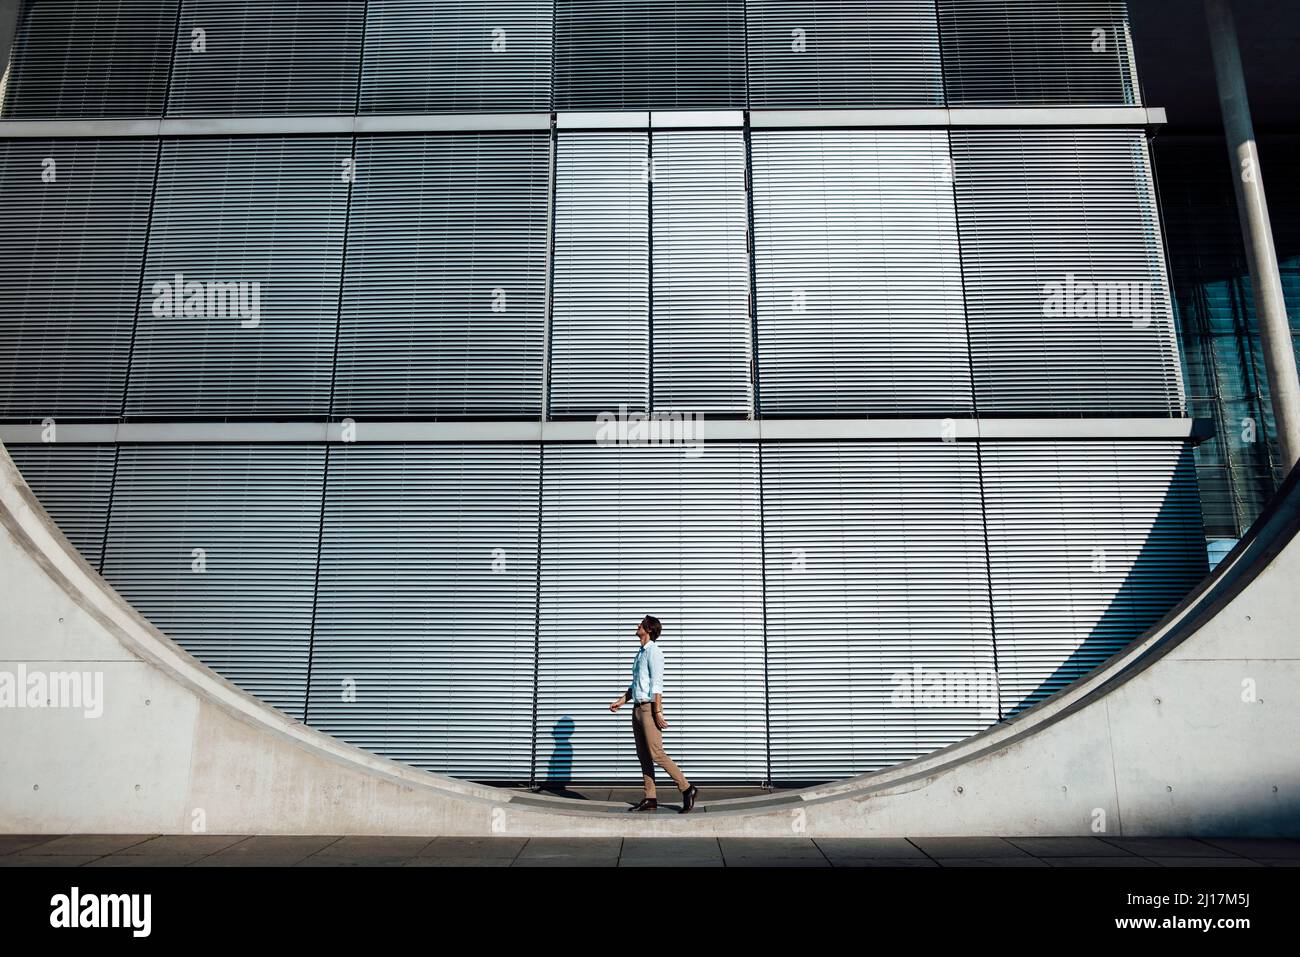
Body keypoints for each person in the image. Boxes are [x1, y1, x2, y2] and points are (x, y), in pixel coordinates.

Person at [609, 614, 698, 813]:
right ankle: (650, 797)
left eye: (640, 623)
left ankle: (687, 788)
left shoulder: (654, 652)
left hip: (650, 708)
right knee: (643, 755)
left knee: (656, 753)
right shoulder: (640, 653)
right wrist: (621, 701)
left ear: (648, 629)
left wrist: (657, 711)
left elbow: (657, 685)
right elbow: (636, 685)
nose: (637, 625)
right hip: (637, 709)